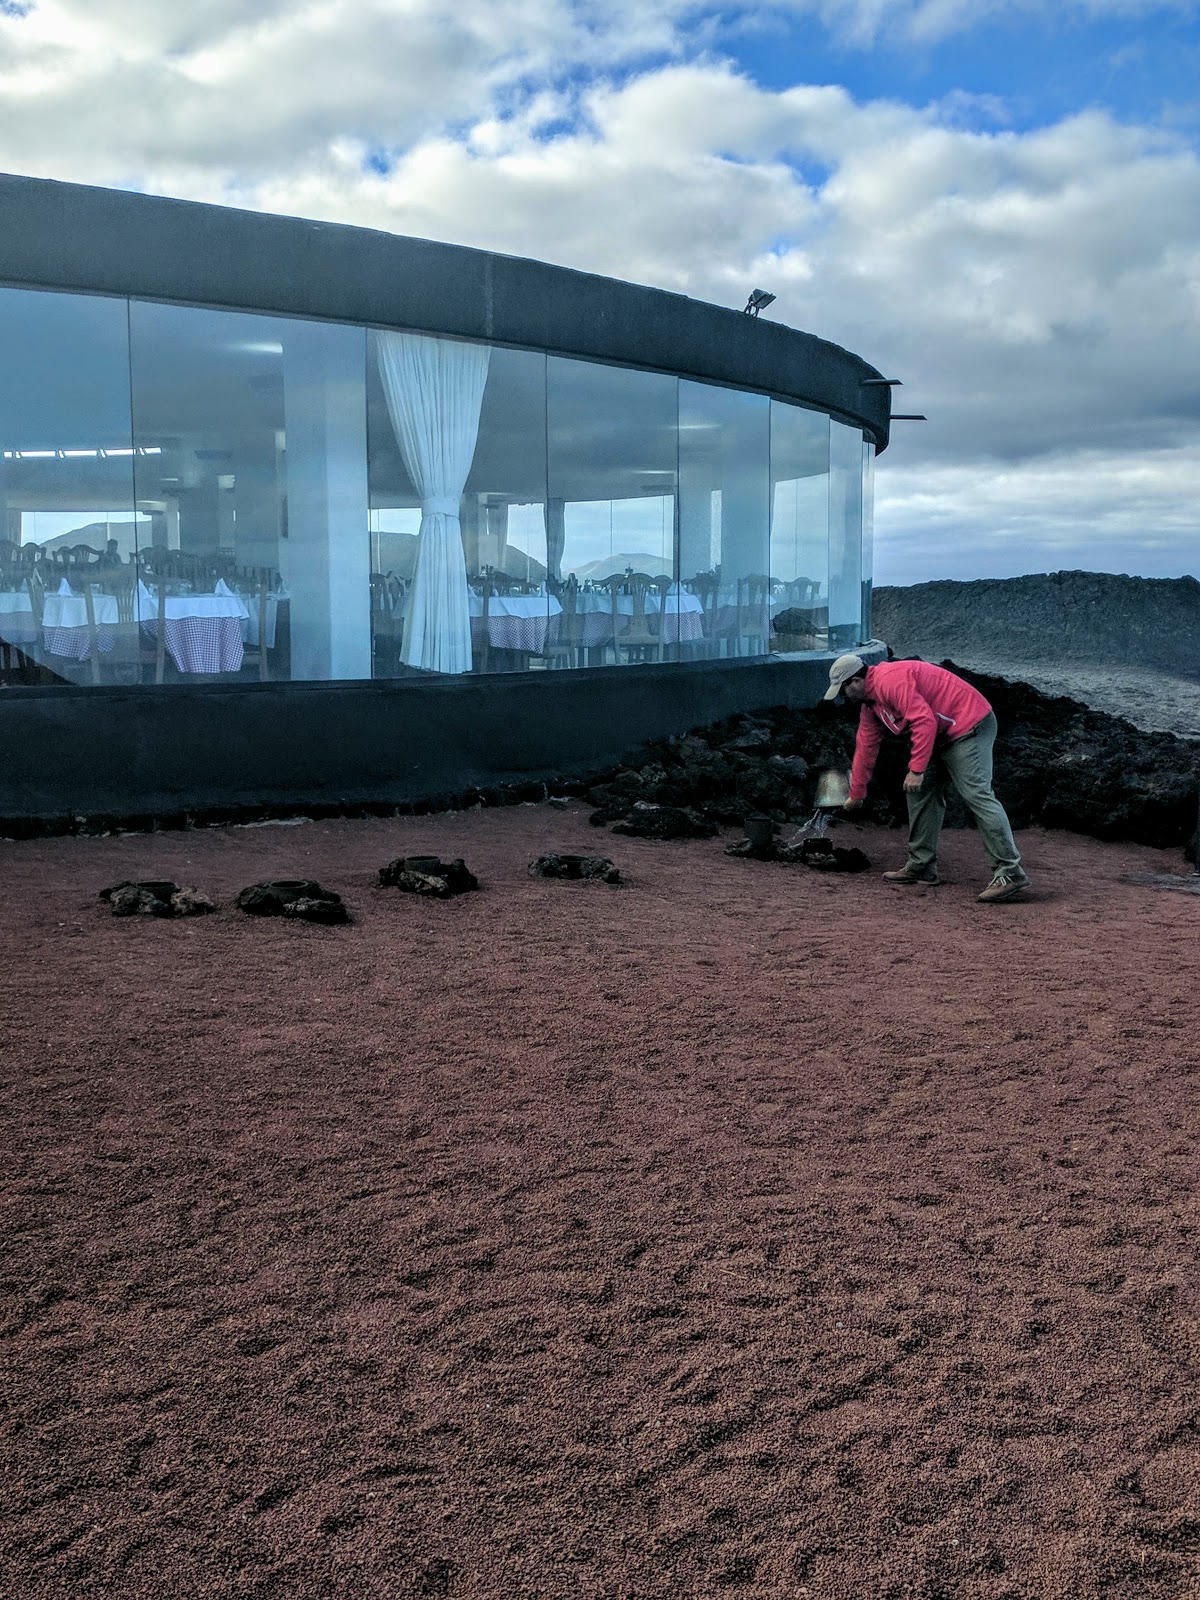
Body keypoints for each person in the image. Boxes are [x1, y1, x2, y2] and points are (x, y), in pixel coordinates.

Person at [822, 652, 1030, 903]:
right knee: (919, 791)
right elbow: (865, 746)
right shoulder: (871, 704)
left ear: (855, 681)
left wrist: (917, 770)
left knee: (977, 794)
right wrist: (857, 794)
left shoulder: (890, 681)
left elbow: (924, 720)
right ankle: (921, 866)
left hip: (969, 725)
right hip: (942, 734)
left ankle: (1010, 871)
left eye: (843, 691)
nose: (844, 698)